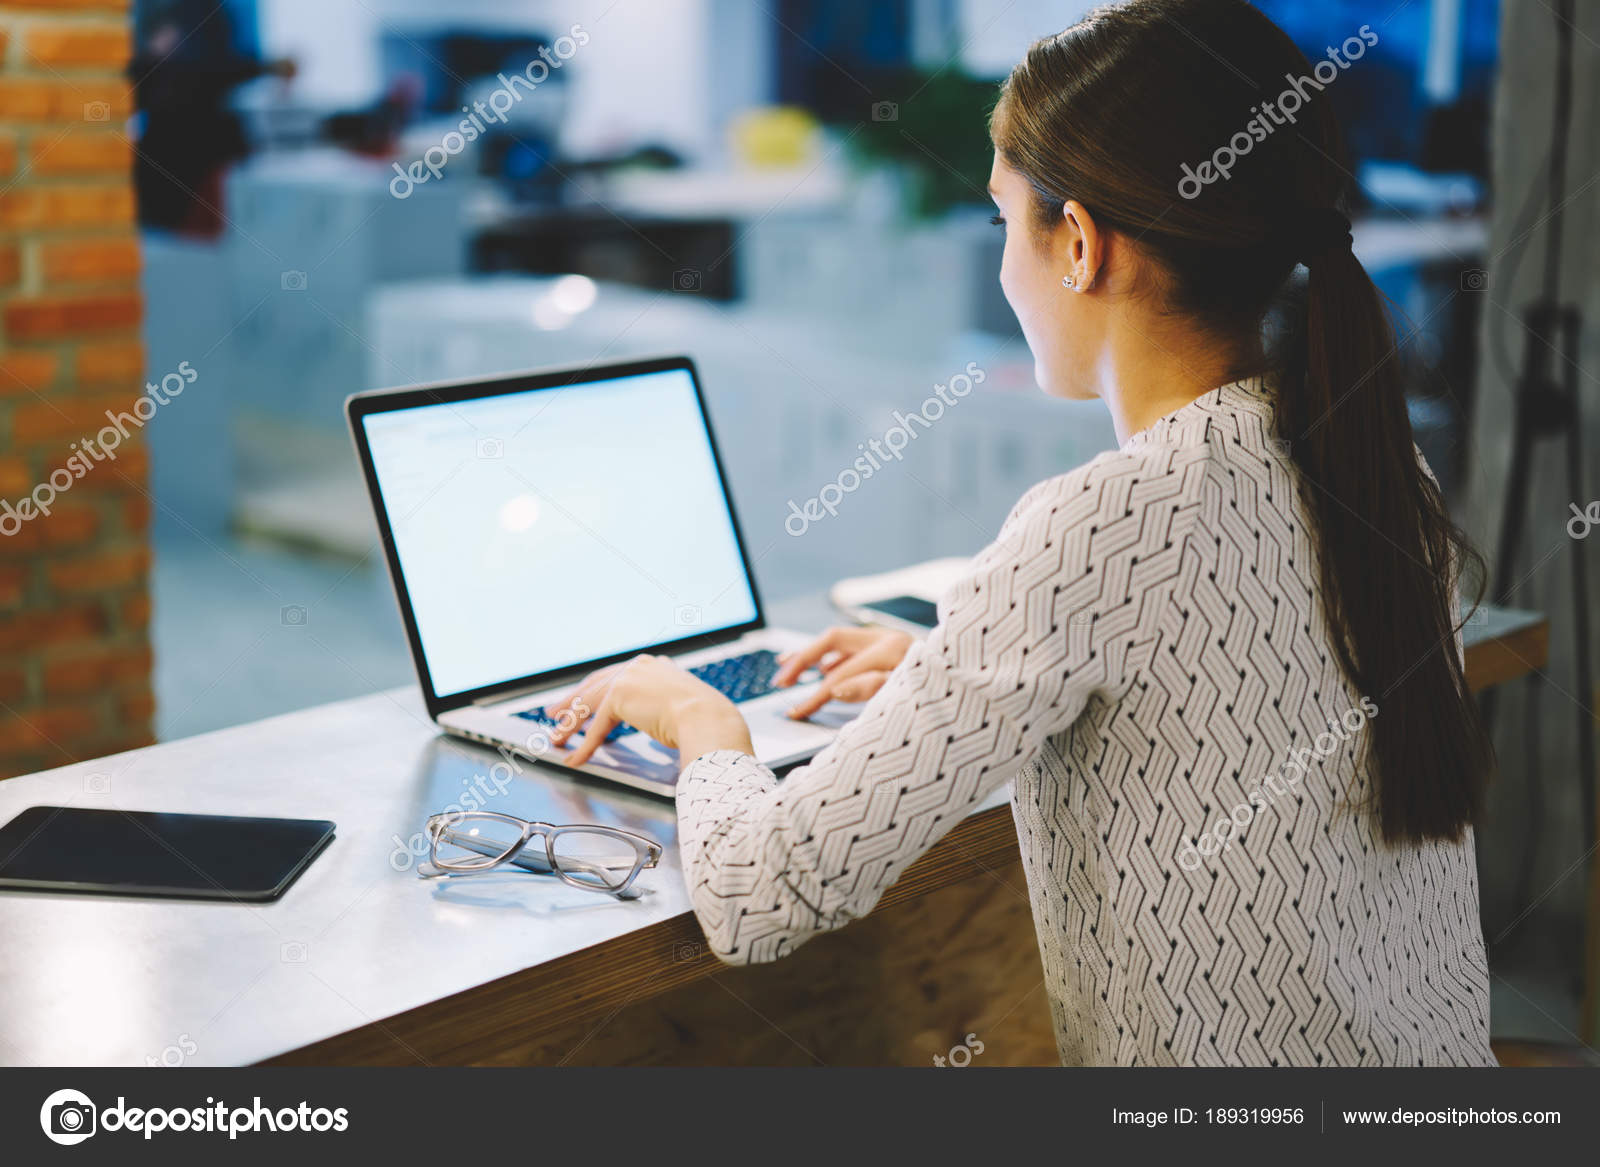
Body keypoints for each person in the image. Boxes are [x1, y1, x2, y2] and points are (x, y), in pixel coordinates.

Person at [545, 0, 1496, 1066]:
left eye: (1005, 221)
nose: (1003, 265)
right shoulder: (1372, 462)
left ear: (1079, 243)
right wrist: (949, 672)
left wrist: (700, 716)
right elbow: (1213, 693)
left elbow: (761, 897)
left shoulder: (1100, 524)